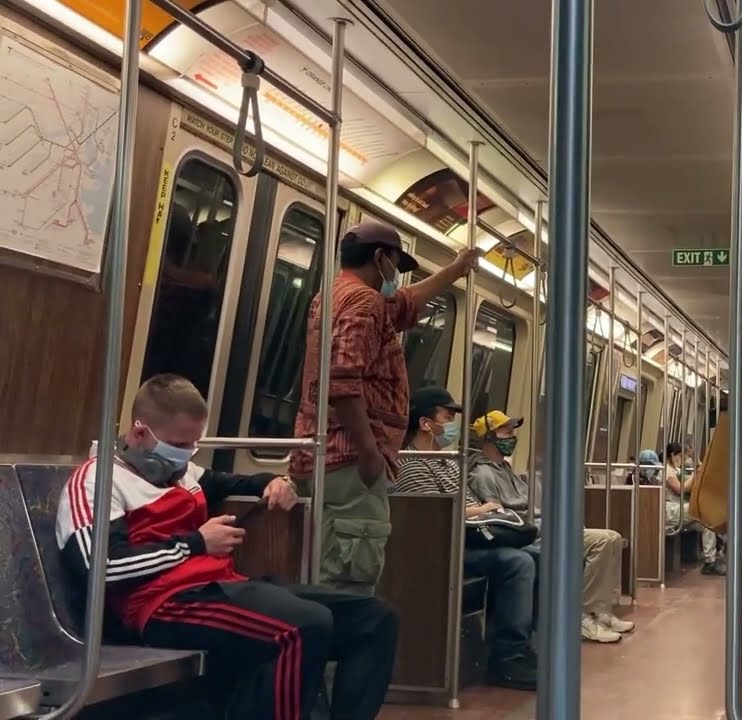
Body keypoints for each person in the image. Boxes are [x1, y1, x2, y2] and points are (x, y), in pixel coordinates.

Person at [57, 374, 397, 720]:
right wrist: (196, 544)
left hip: (220, 587)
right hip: (164, 603)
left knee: (373, 620)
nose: (186, 454)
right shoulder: (97, 481)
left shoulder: (181, 473)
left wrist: (273, 482)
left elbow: (234, 481)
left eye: (192, 445)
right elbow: (102, 566)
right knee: (303, 626)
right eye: (179, 444)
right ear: (142, 432)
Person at [290, 220, 481, 595]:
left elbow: (405, 305)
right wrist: (369, 453)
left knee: (325, 569)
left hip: (320, 456)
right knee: (347, 582)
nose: (396, 276)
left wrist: (457, 269)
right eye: (395, 264)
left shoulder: (331, 295)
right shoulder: (364, 300)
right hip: (349, 461)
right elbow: (342, 381)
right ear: (380, 258)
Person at [395, 388, 537, 690]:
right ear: (425, 424)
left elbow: (467, 505)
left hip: (467, 537)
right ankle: (506, 658)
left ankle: (526, 645)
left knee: (537, 554)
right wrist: (479, 509)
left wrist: (475, 509)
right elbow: (436, 514)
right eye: (447, 417)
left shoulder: (448, 463)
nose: (451, 425)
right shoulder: (410, 464)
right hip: (441, 547)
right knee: (517, 562)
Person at [467, 410, 636, 643]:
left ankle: (599, 610)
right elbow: (499, 516)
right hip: (529, 535)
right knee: (603, 541)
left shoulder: (505, 469)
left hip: (543, 527)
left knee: (612, 538)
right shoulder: (483, 474)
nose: (512, 436)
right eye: (506, 432)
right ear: (488, 438)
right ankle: (581, 617)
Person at [661, 442, 725, 576]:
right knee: (704, 509)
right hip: (670, 511)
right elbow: (681, 489)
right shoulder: (666, 470)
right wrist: (696, 475)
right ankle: (717, 553)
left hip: (678, 509)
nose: (684, 460)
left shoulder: (676, 470)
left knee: (707, 523)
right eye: (682, 456)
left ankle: (711, 561)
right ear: (672, 455)